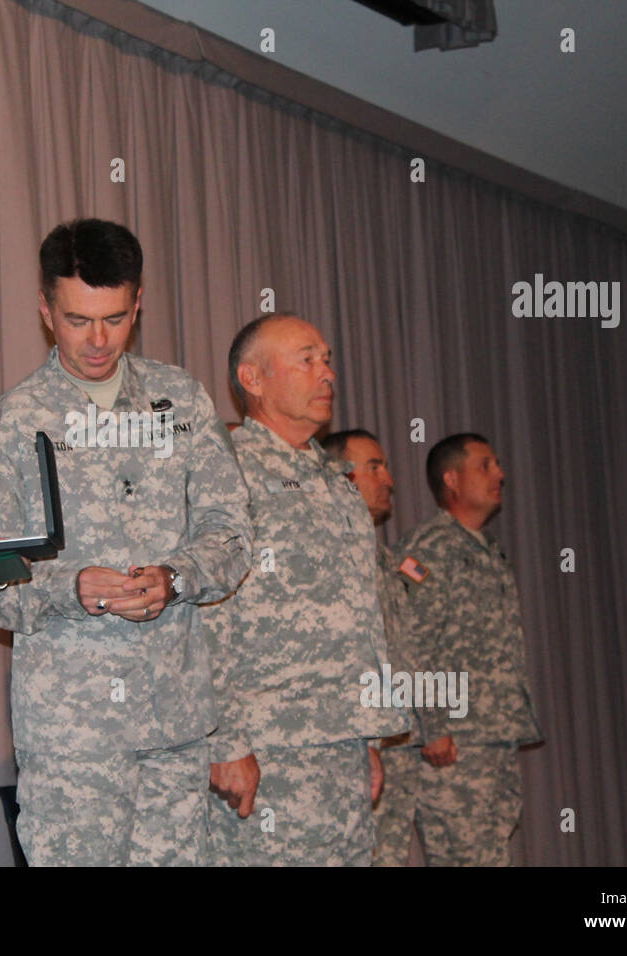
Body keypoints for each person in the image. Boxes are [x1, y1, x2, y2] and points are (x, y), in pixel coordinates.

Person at [0, 219, 252, 866]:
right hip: (71, 737)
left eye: (115, 318)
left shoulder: (185, 404)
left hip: (174, 721)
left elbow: (232, 538)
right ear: (44, 309)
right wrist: (69, 587)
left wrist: (177, 577)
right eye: (77, 319)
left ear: (138, 303)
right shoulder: (4, 424)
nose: (97, 339)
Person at [205, 315, 406, 866]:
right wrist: (225, 742)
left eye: (328, 359)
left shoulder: (335, 482)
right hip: (269, 750)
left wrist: (366, 737)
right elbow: (206, 613)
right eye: (307, 359)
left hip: (339, 747)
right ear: (253, 378)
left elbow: (361, 622)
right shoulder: (225, 472)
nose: (327, 374)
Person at [393, 433, 542, 865]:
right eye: (485, 465)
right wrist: (432, 724)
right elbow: (408, 638)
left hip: (492, 735)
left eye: (497, 464)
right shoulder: (429, 548)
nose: (500, 474)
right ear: (452, 480)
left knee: (489, 856)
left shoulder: (488, 549)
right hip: (455, 741)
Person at [323, 428, 421, 866]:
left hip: (397, 737)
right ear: (342, 477)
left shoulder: (383, 557)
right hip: (354, 740)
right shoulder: (327, 552)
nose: (390, 479)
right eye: (374, 467)